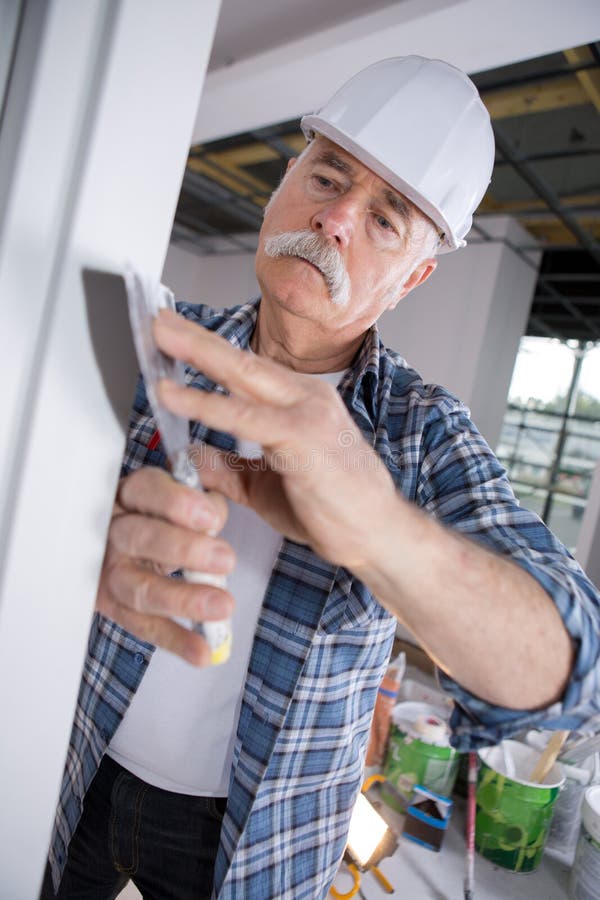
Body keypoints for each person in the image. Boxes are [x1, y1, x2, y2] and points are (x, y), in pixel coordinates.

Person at [42, 56, 600, 899]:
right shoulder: (158, 344)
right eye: (328, 178)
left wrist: (379, 533)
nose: (335, 218)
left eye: (384, 219)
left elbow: (570, 670)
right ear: (281, 188)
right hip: (73, 763)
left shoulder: (421, 432)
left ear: (414, 277)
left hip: (248, 841)